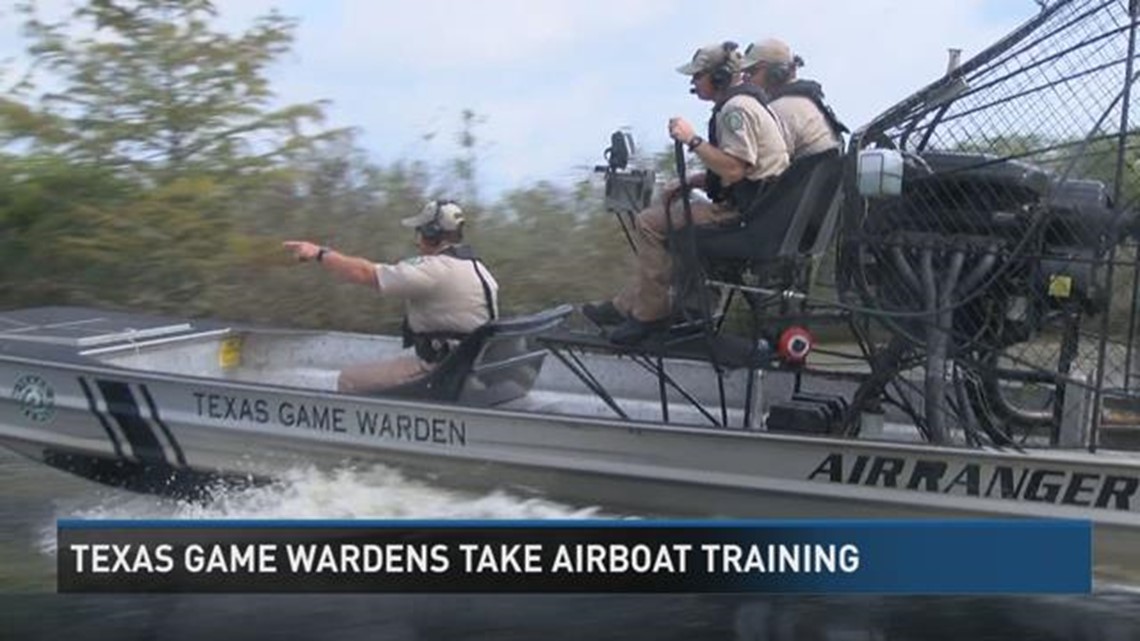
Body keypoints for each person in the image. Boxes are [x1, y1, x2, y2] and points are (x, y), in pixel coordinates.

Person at [583, 41, 790, 345]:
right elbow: (746, 172)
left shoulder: (735, 110)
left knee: (649, 223)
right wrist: (692, 181)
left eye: (698, 76)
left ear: (719, 77)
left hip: (744, 216)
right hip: (758, 209)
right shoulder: (748, 104)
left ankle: (650, 314)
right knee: (672, 210)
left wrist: (691, 139)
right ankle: (635, 305)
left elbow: (734, 169)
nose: (693, 82)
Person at [282, 200, 499, 394]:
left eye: (420, 233)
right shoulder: (477, 267)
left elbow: (363, 273)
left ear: (431, 233)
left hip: (440, 371)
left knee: (349, 379)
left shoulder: (433, 269)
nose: (418, 241)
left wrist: (319, 253)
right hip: (467, 366)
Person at [741, 38, 847, 160]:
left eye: (751, 72)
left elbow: (766, 163)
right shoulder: (807, 100)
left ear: (774, 74)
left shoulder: (779, 109)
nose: (746, 80)